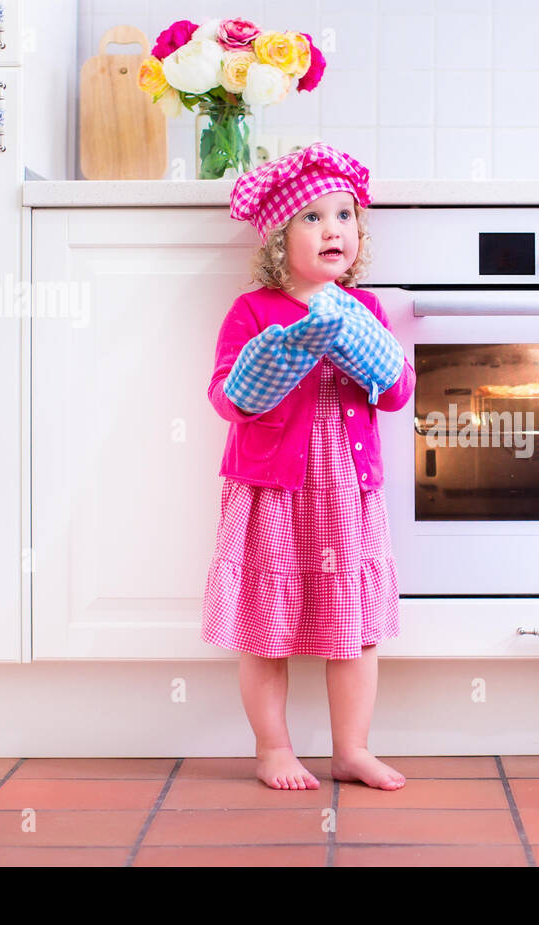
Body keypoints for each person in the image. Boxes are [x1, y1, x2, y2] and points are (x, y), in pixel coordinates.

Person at [202, 142, 415, 791]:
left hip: (346, 491)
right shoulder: (254, 312)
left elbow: (396, 390)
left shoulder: (366, 311)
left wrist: (362, 348)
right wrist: (277, 359)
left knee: (353, 630)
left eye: (345, 216)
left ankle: (352, 749)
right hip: (274, 490)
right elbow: (225, 398)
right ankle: (272, 748)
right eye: (313, 217)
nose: (334, 229)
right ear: (277, 240)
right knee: (268, 628)